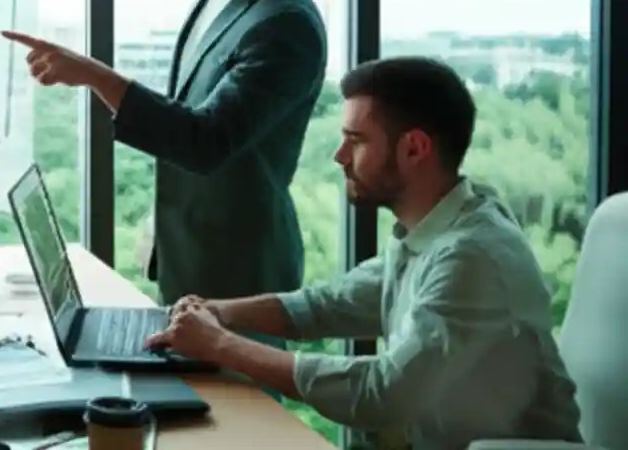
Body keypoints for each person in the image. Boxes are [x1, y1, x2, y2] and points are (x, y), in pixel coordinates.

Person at [146, 57, 582, 450]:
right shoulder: (435, 229)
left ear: (414, 149)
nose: (339, 156)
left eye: (356, 140)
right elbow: (330, 305)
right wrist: (217, 312)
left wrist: (220, 345)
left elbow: (382, 395)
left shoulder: (472, 257)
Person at [4, 0, 327, 311]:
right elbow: (186, 117)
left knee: (232, 391)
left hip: (241, 278)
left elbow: (207, 139)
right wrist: (162, 224)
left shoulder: (285, 23)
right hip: (189, 262)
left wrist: (95, 75)